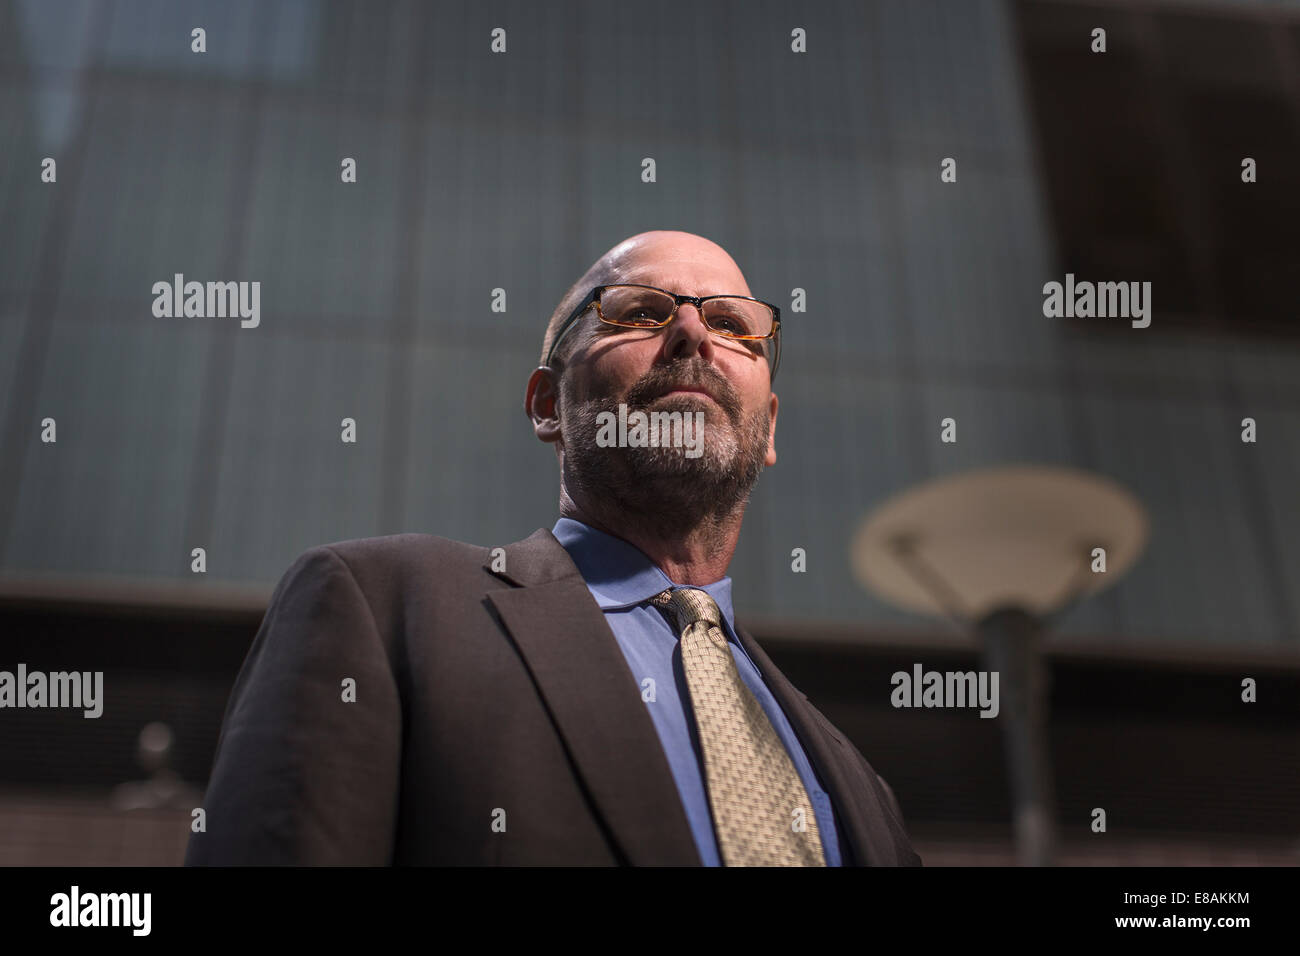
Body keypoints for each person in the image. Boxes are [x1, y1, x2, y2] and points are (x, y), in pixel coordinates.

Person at [185, 230, 920, 866]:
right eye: (640, 311)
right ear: (547, 406)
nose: (693, 334)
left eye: (733, 324)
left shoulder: (863, 788)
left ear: (767, 430)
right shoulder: (377, 607)